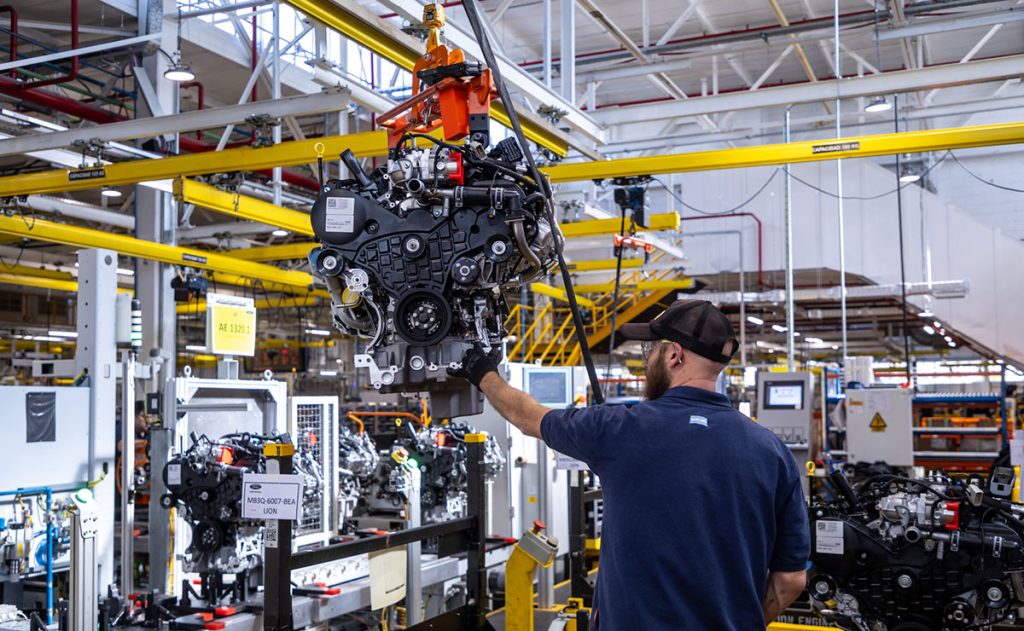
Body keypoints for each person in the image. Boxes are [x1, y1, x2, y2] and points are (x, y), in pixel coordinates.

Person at [450, 299, 810, 630]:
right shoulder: (772, 452)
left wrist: (482, 372)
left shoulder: (619, 429)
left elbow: (528, 417)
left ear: (674, 356)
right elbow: (791, 581)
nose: (645, 359)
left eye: (650, 351)